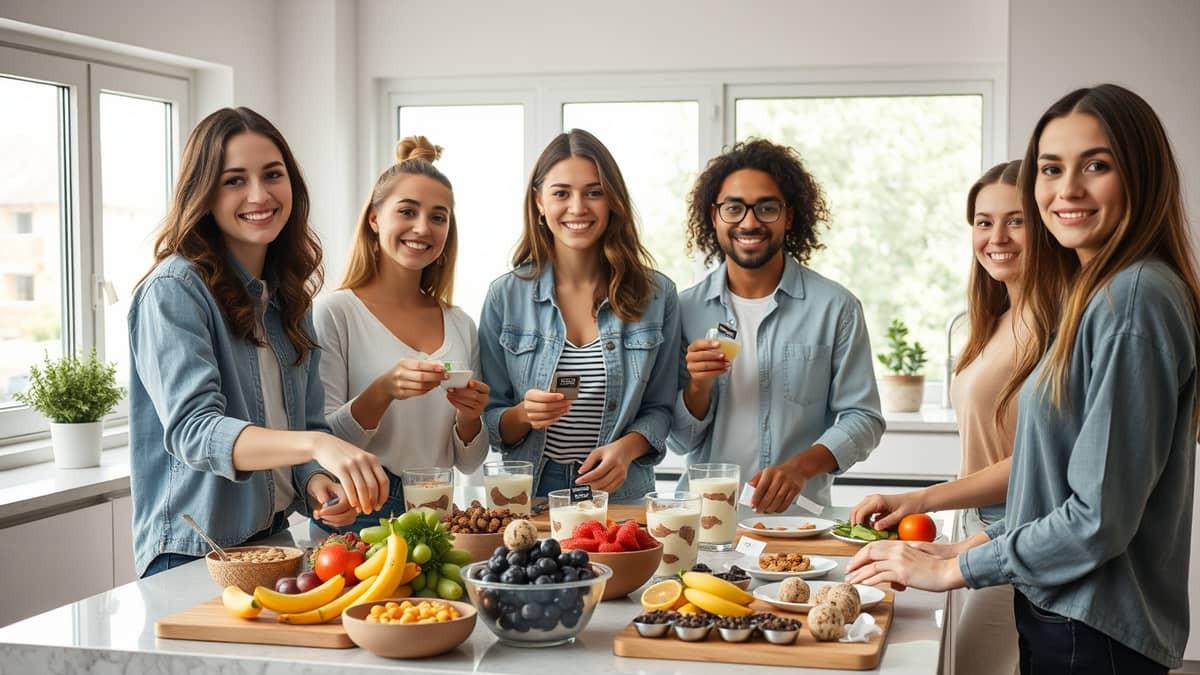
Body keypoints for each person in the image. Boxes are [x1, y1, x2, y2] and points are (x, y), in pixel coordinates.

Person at [847, 84, 1200, 674]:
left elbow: (1096, 519)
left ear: (1142, 175)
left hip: (1092, 624)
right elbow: (1058, 479)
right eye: (1051, 168)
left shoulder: (1132, 299)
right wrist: (956, 546)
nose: (1067, 190)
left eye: (1097, 165)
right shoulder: (1105, 295)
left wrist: (950, 569)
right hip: (1065, 608)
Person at [128, 107, 388, 577]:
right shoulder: (174, 290)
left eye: (273, 175)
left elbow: (302, 423)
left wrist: (317, 483)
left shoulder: (287, 294)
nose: (259, 195)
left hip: (274, 543)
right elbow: (196, 431)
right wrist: (314, 447)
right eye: (233, 180)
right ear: (203, 193)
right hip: (193, 553)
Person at [850, 160, 1025, 675]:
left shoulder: (1055, 325)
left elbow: (1040, 462)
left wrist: (921, 498)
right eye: (983, 221)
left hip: (1017, 530)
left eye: (1016, 221)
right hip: (979, 523)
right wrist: (918, 502)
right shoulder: (994, 318)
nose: (997, 237)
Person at [667, 139, 885, 513]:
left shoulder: (835, 308)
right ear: (714, 216)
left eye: (767, 208)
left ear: (790, 216)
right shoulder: (683, 309)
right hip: (702, 519)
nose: (749, 222)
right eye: (733, 208)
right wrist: (698, 386)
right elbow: (679, 442)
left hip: (799, 521)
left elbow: (863, 418)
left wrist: (799, 468)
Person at [479, 129, 681, 502]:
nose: (578, 207)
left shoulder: (657, 295)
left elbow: (661, 409)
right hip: (530, 493)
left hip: (620, 490)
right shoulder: (504, 297)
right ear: (539, 202)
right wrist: (524, 414)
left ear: (613, 202)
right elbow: (489, 420)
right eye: (561, 193)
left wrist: (626, 450)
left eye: (594, 192)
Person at [314, 137, 489, 532]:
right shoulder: (336, 313)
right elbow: (324, 444)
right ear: (375, 220)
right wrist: (383, 390)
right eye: (407, 211)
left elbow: (470, 460)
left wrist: (469, 416)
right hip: (359, 510)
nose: (423, 228)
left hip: (438, 513)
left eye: (438, 217)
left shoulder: (460, 323)